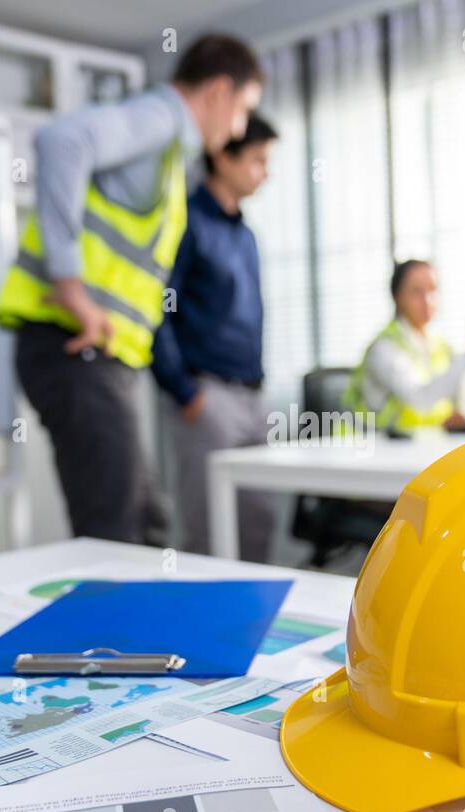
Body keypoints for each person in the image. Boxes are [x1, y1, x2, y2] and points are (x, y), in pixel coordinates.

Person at [0, 36, 263, 543]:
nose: (238, 128)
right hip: (73, 346)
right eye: (243, 110)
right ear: (218, 92)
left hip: (97, 358)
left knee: (144, 523)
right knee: (116, 528)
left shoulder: (168, 155)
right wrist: (70, 286)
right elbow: (62, 141)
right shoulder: (161, 120)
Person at [150, 113, 279, 561]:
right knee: (208, 531)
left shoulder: (246, 235)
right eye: (258, 160)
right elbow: (157, 307)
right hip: (206, 396)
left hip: (253, 396)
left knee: (259, 520)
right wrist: (185, 391)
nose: (265, 173)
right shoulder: (183, 221)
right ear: (224, 157)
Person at [343, 259, 465, 434]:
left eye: (432, 290)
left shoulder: (442, 347)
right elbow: (420, 399)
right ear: (397, 297)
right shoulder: (383, 348)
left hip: (422, 444)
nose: (427, 300)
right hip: (367, 444)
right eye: (416, 291)